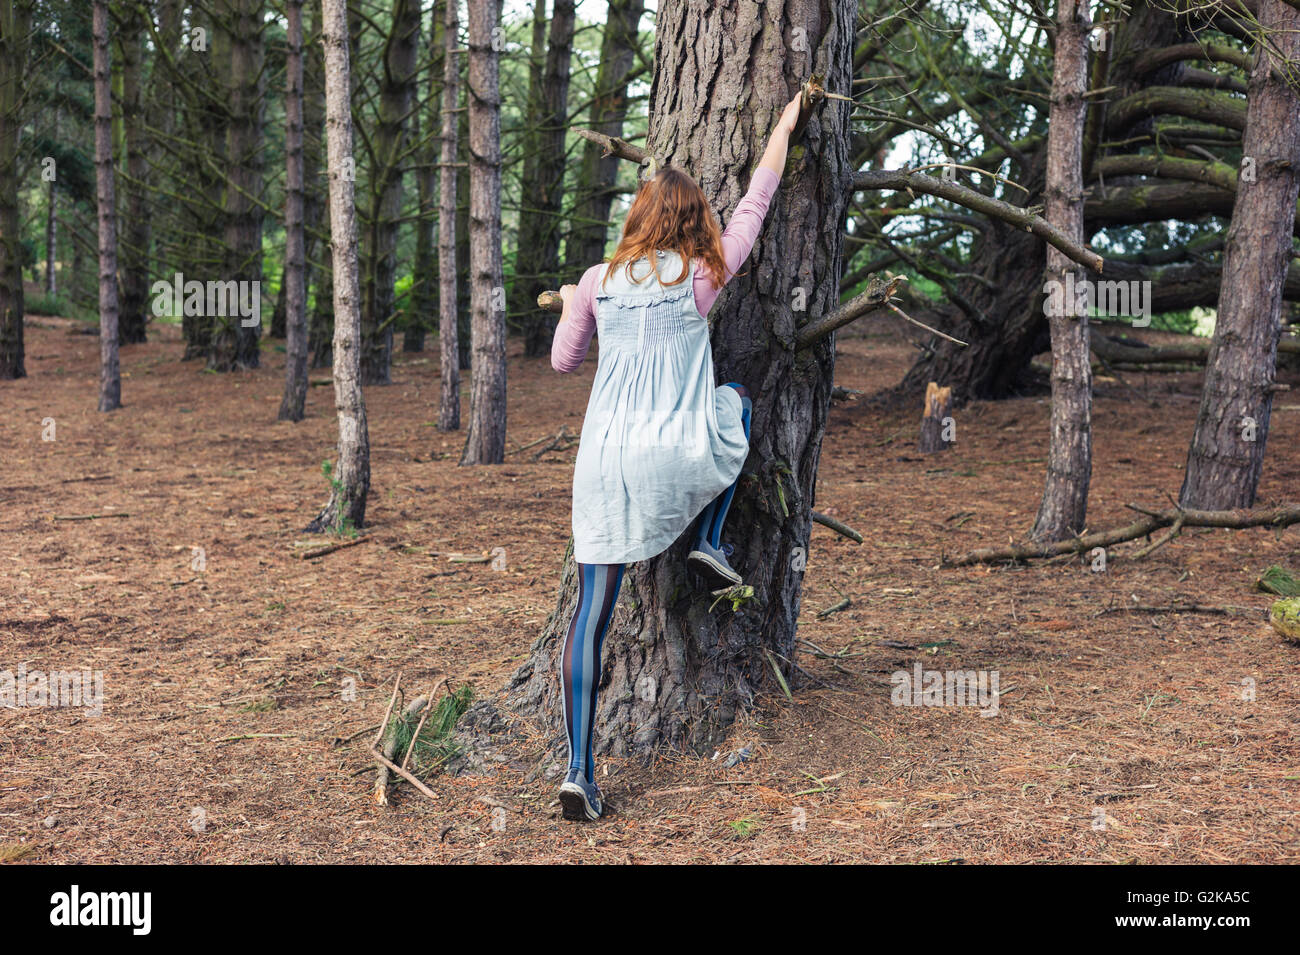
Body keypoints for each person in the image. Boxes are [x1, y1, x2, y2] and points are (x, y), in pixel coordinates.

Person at [549, 93, 803, 821]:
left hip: (603, 463)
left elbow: (567, 362)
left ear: (635, 221)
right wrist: (782, 129)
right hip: (674, 452)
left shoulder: (601, 280)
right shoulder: (701, 274)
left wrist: (573, 300)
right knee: (739, 401)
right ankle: (713, 538)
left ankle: (579, 770)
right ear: (695, 225)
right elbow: (756, 202)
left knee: (592, 614)